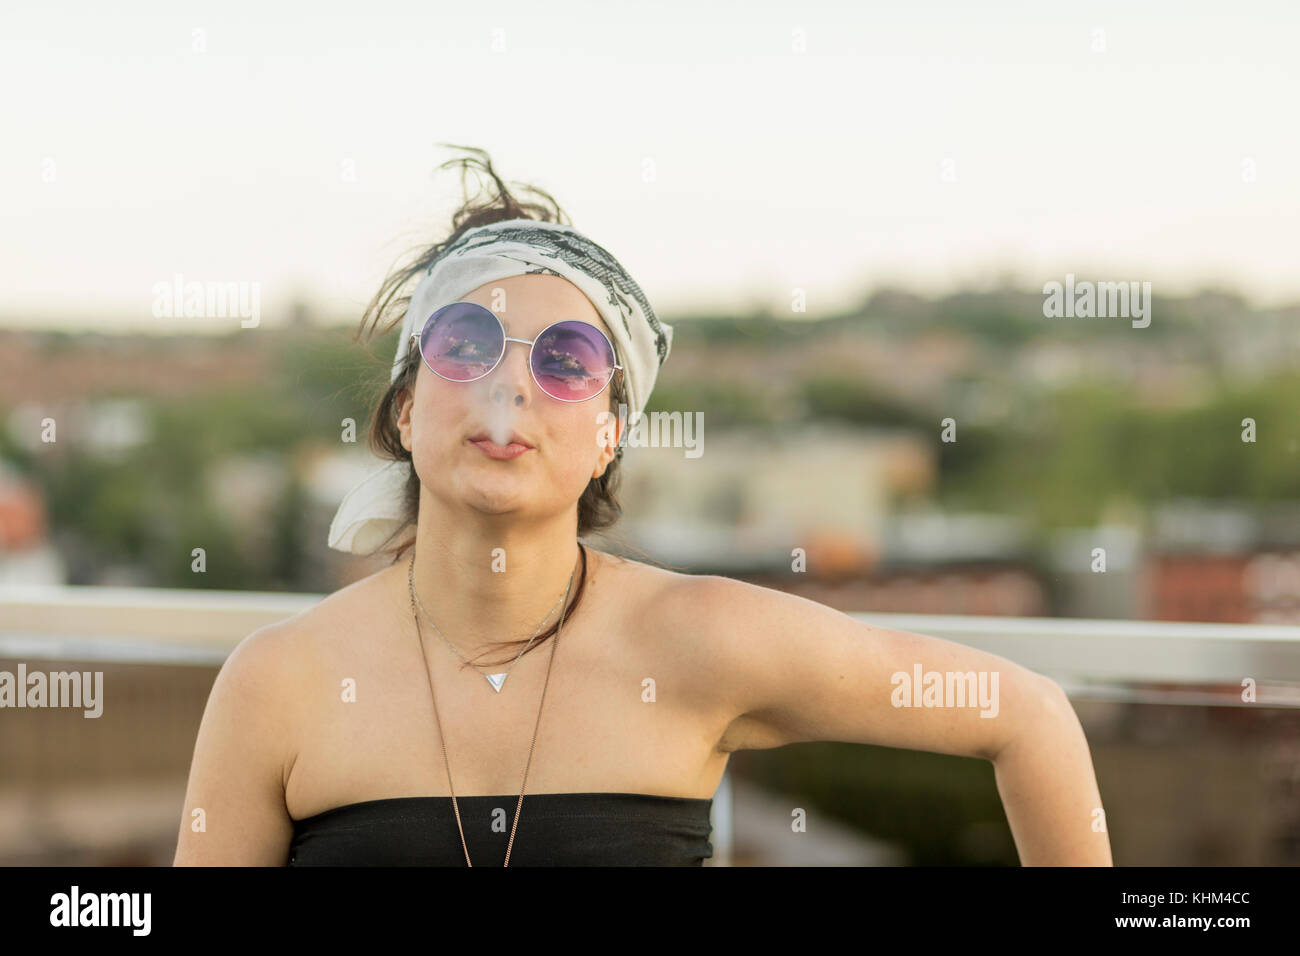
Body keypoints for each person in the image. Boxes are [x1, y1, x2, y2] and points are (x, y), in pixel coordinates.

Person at [173, 147, 1112, 867]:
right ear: (408, 408)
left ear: (609, 437)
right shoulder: (279, 686)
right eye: (468, 343)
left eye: (566, 362)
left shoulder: (697, 640)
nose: (512, 392)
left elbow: (1024, 715)